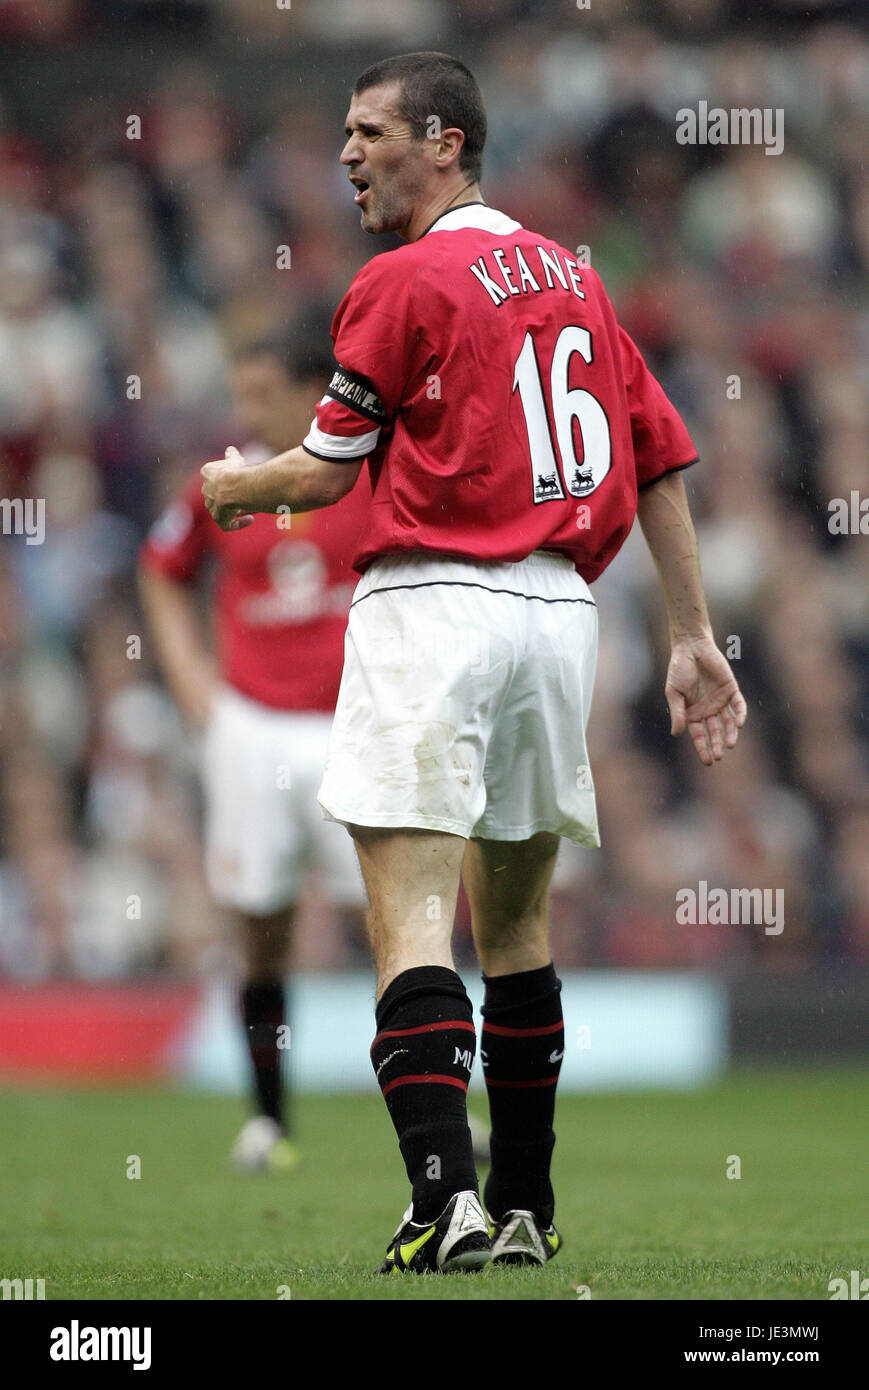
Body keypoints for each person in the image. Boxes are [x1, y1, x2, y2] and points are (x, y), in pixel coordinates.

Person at [200, 52, 747, 1272]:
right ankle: (528, 1204)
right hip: (560, 614)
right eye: (342, 133)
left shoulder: (400, 281)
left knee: (409, 915)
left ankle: (440, 1196)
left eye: (369, 132)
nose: (346, 153)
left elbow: (329, 472)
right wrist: (691, 632)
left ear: (444, 142)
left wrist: (239, 489)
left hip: (434, 600)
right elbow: (657, 456)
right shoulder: (575, 277)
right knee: (517, 924)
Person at [140, 326, 369, 1172]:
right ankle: (270, 1119)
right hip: (251, 727)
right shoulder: (223, 480)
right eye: (238, 392)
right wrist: (188, 676)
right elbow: (160, 565)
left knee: (394, 924)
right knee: (261, 930)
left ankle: (441, 1117)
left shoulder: (362, 468)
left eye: (261, 390)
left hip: (355, 724)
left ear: (314, 389)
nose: (245, 410)